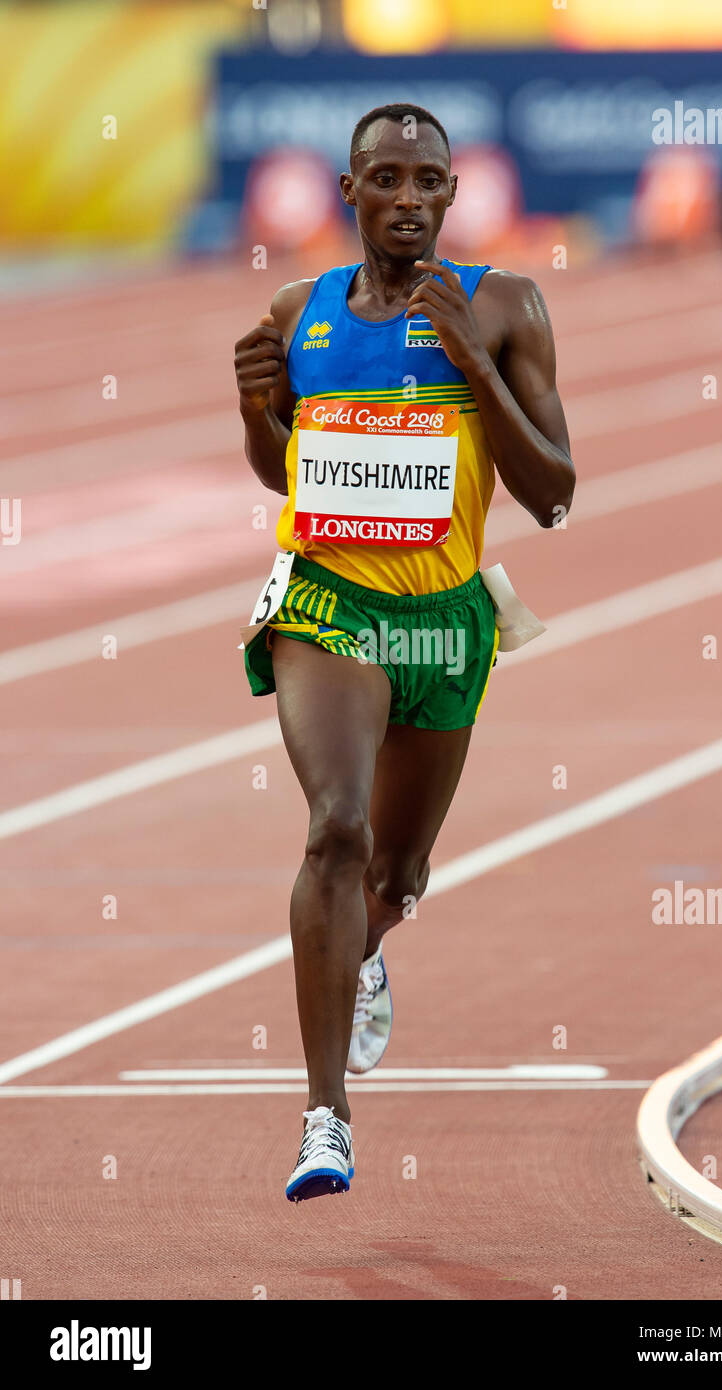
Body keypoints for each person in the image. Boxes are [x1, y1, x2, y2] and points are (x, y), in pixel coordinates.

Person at [233, 103, 574, 1202]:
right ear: (350, 193)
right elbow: (300, 476)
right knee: (336, 826)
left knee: (397, 869)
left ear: (452, 196)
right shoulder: (301, 313)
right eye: (387, 179)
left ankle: (367, 946)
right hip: (328, 604)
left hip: (445, 620)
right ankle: (325, 1114)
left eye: (431, 181)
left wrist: (472, 360)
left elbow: (554, 494)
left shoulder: (506, 305)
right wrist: (255, 416)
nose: (411, 199)